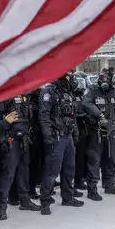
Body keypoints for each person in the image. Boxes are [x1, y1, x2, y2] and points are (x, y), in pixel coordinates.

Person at [38, 69, 85, 215]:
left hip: (68, 134)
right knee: (52, 170)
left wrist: (75, 132)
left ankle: (67, 196)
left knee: (70, 167)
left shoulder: (69, 92)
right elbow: (44, 116)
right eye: (68, 75)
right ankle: (45, 201)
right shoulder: (49, 91)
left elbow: (73, 115)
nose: (71, 78)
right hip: (56, 136)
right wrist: (48, 135)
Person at [81, 69, 115, 200]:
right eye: (101, 78)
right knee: (94, 160)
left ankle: (109, 185)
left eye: (106, 78)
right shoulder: (92, 89)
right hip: (96, 131)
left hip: (112, 131)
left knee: (112, 159)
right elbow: (85, 103)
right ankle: (92, 189)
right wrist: (99, 115)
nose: (103, 81)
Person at [0, 93, 42, 219]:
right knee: (8, 173)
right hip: (11, 139)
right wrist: (3, 139)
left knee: (23, 170)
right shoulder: (5, 94)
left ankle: (25, 200)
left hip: (24, 138)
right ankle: (2, 206)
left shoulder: (24, 95)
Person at [73, 73, 90, 191]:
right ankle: (74, 182)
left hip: (83, 126)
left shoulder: (84, 95)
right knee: (74, 157)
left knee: (82, 156)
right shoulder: (70, 95)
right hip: (74, 126)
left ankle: (80, 179)